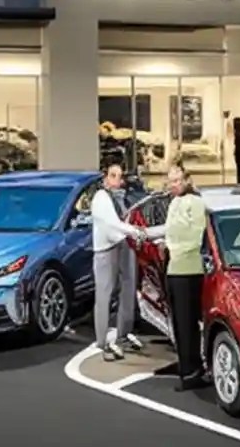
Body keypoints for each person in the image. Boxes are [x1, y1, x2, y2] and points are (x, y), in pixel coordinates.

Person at [145, 164, 209, 391]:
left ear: (187, 179)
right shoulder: (175, 203)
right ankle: (186, 366)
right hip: (174, 269)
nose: (173, 185)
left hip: (189, 270)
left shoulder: (196, 203)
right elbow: (171, 230)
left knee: (187, 323)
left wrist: (173, 248)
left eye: (177, 180)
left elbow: (195, 237)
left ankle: (192, 371)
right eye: (170, 181)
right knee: (179, 323)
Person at [91, 162, 146, 361]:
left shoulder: (121, 198)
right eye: (113, 175)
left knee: (128, 288)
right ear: (105, 177)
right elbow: (113, 223)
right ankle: (102, 343)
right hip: (105, 250)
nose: (118, 180)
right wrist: (134, 231)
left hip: (122, 244)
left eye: (120, 176)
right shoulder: (100, 198)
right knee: (104, 295)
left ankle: (123, 334)